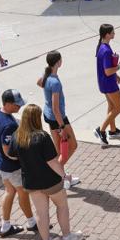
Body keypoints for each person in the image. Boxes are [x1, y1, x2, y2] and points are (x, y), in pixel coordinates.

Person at [12, 103, 82, 240]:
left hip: (31, 182)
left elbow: (11, 154)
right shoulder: (42, 137)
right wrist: (65, 176)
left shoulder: (18, 137)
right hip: (50, 181)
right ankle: (67, 238)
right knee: (62, 206)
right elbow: (52, 162)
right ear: (37, 119)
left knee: (41, 213)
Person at [0, 89, 36, 238]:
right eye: (16, 105)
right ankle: (31, 223)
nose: (19, 107)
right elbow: (8, 151)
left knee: (9, 192)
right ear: (8, 104)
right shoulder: (9, 125)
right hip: (11, 167)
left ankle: (5, 226)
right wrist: (22, 160)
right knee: (23, 193)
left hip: (1, 163)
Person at [38, 51, 80, 189]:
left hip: (48, 116)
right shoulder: (55, 82)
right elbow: (56, 108)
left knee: (58, 150)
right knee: (72, 145)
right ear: (58, 62)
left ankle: (60, 175)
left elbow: (39, 83)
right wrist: (61, 128)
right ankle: (55, 172)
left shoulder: (47, 76)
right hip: (58, 118)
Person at [93, 23, 120, 146]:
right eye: (113, 32)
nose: (114, 34)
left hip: (103, 82)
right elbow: (108, 71)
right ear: (107, 34)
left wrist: (116, 75)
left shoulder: (101, 47)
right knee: (119, 107)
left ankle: (113, 131)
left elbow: (105, 69)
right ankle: (101, 130)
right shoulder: (106, 50)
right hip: (109, 84)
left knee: (111, 106)